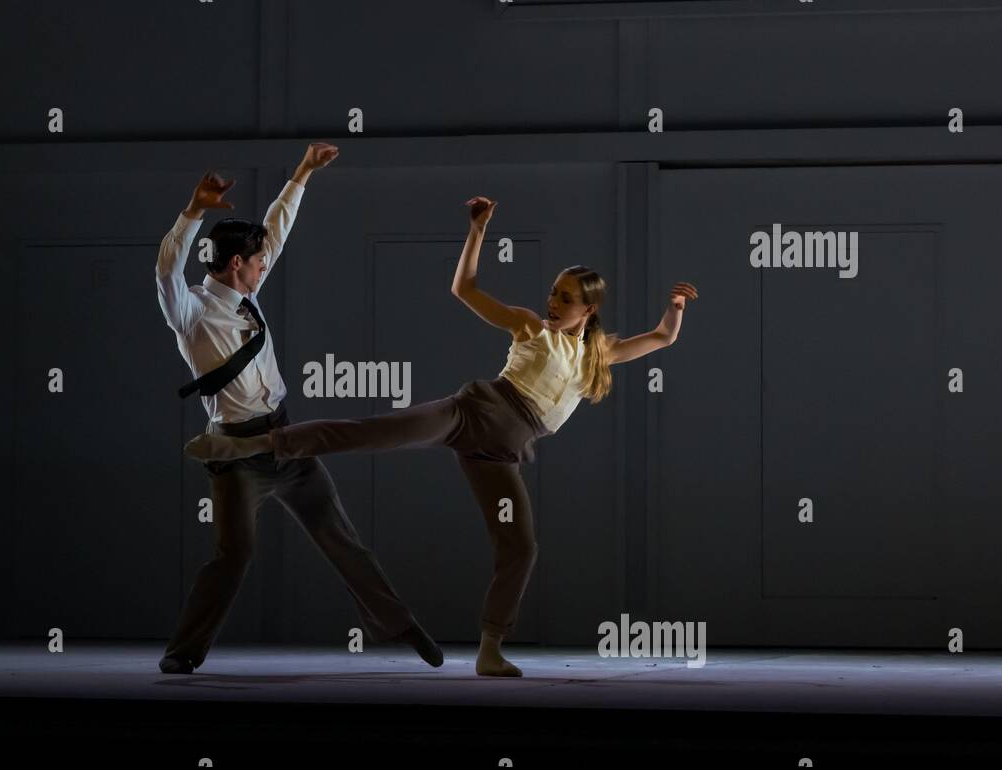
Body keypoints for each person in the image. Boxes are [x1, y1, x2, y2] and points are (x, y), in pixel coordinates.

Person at [186, 195, 699, 677]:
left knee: (521, 546)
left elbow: (660, 339)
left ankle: (491, 650)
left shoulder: (595, 353)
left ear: (588, 310)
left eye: (565, 299)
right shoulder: (529, 327)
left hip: (501, 453)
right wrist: (477, 231)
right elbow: (465, 290)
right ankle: (255, 445)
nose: (552, 302)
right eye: (553, 292)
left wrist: (674, 309)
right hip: (471, 414)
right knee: (374, 433)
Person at [156, 142, 443, 674]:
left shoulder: (248, 296)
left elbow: (276, 227)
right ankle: (183, 652)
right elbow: (167, 269)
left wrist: (304, 173)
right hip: (238, 452)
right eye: (260, 263)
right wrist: (193, 211)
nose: (267, 267)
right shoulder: (192, 310)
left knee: (341, 538)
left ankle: (401, 626)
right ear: (238, 264)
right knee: (233, 556)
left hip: (287, 440)